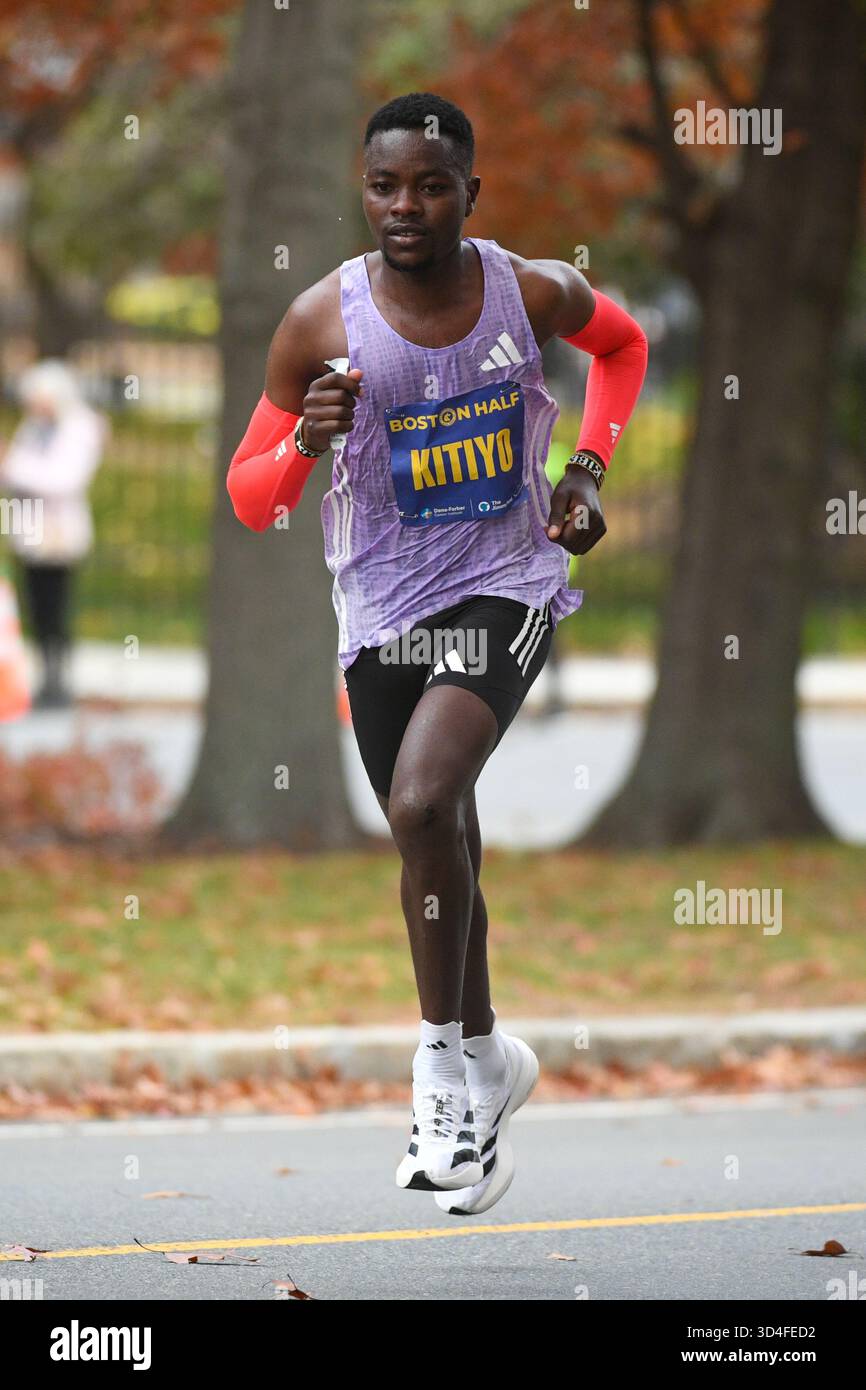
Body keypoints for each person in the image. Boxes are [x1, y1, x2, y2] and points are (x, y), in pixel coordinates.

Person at [227, 94, 647, 1214]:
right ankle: (489, 1059)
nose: (403, 207)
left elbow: (624, 344)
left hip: (502, 582)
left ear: (471, 191)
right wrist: (301, 447)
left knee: (420, 803)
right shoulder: (320, 321)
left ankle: (436, 1077)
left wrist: (588, 471)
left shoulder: (529, 290)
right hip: (377, 611)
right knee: (438, 836)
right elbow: (248, 492)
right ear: (361, 190)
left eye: (428, 184)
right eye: (383, 186)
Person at [0, 359, 106, 709]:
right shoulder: (34, 427)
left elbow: (64, 479)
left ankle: (58, 679)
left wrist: (12, 466)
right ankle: (44, 675)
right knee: (37, 609)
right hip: (30, 531)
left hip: (58, 533)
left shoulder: (79, 427)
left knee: (56, 606)